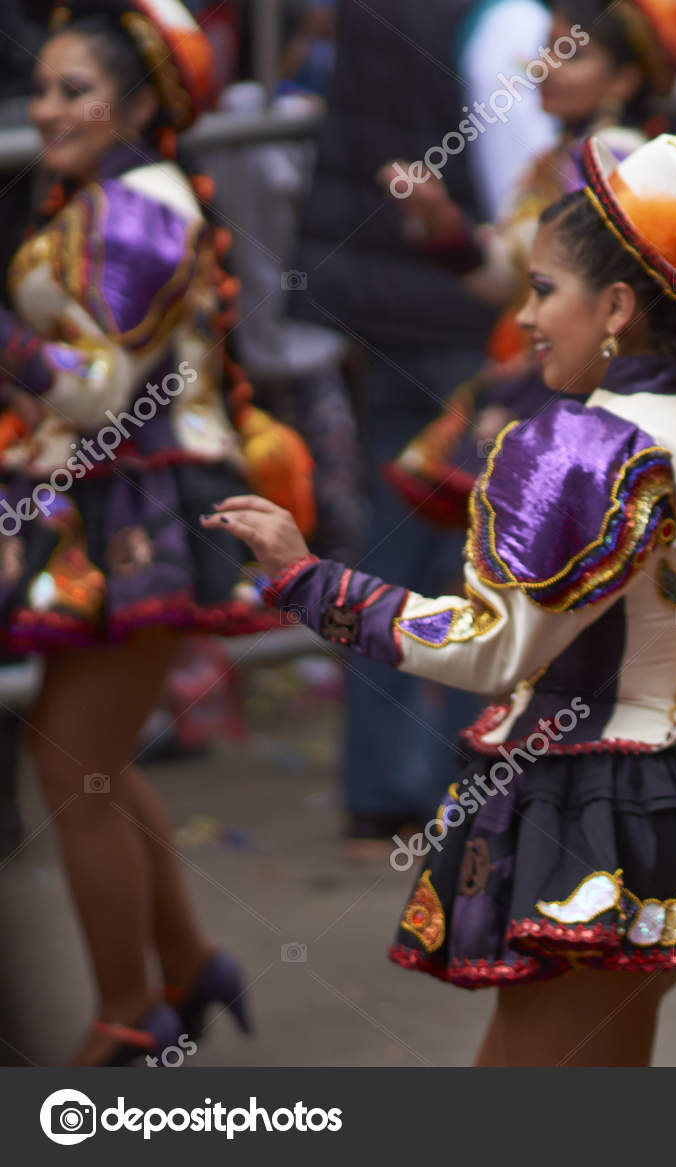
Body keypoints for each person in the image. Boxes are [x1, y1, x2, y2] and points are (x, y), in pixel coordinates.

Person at [209, 134, 676, 1067]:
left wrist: (311, 581)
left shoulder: (582, 447)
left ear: (613, 306)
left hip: (602, 804)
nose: (524, 318)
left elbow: (493, 648)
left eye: (543, 290)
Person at [0, 0, 312, 1065]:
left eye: (73, 90)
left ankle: (128, 1020)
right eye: (41, 89)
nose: (48, 110)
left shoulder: (137, 211)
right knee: (86, 761)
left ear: (139, 101)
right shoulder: (112, 195)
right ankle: (182, 969)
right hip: (106, 495)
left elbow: (94, 390)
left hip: (143, 504)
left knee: (67, 767)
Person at [291, 0, 555, 851]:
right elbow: (523, 195)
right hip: (468, 322)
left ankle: (384, 786)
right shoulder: (508, 19)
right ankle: (468, 785)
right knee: (476, 552)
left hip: (387, 300)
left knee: (393, 535)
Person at [382, 0, 676, 524]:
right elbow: (512, 277)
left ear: (623, 79)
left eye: (572, 54)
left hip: (586, 387)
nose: (544, 66)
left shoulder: (615, 161)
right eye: (548, 48)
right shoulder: (556, 162)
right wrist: (445, 228)